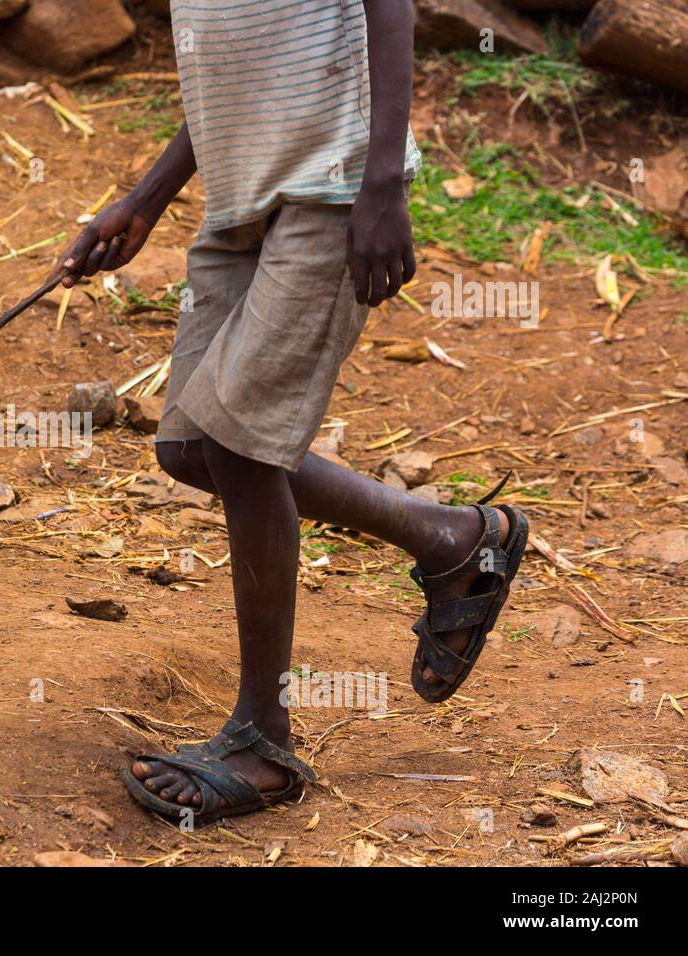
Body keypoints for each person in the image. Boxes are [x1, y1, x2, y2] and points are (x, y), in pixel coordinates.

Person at [52, 0, 529, 826]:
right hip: (241, 200)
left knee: (238, 448)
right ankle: (451, 539)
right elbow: (238, 69)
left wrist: (381, 180)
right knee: (190, 447)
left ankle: (261, 742)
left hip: (335, 190)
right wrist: (146, 199)